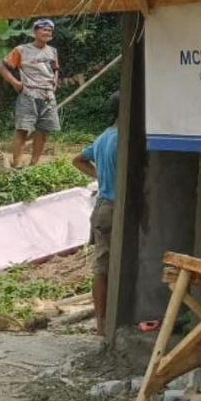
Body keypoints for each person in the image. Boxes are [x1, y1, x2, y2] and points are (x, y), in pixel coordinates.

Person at [73, 92, 120, 338]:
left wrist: (100, 176)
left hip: (102, 207)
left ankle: (101, 325)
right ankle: (106, 324)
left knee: (102, 268)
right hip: (115, 209)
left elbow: (78, 160)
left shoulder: (104, 137)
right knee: (113, 266)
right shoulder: (123, 139)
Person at [0, 18, 60, 168]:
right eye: (44, 29)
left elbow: (55, 69)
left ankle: (34, 164)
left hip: (47, 96)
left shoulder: (53, 51)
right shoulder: (21, 50)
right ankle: (17, 164)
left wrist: (55, 82)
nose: (47, 32)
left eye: (50, 30)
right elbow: (3, 66)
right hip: (28, 94)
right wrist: (15, 83)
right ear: (35, 32)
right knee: (23, 129)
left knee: (44, 131)